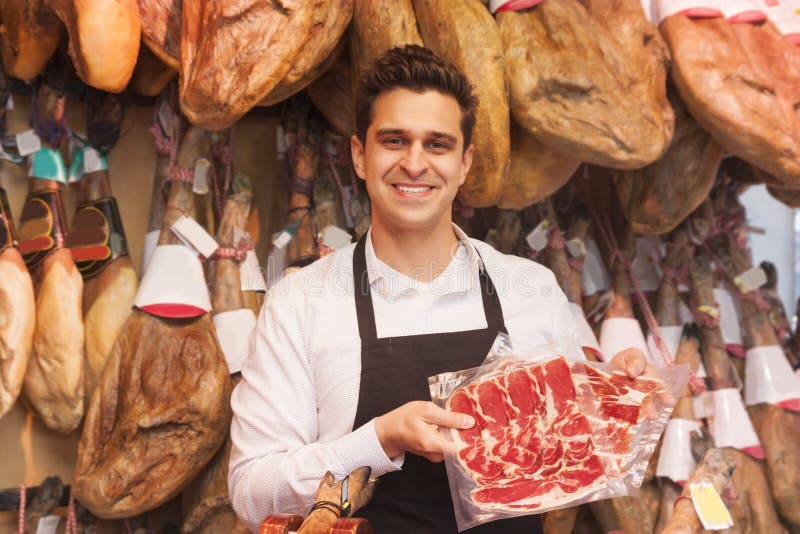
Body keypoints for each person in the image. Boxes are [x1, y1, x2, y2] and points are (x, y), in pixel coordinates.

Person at [229, 45, 650, 533]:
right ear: (360, 156)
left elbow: (572, 452)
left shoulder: (530, 290)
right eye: (394, 140)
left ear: (465, 163)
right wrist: (381, 440)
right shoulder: (301, 302)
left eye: (437, 144)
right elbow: (250, 491)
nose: (414, 163)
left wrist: (618, 402)